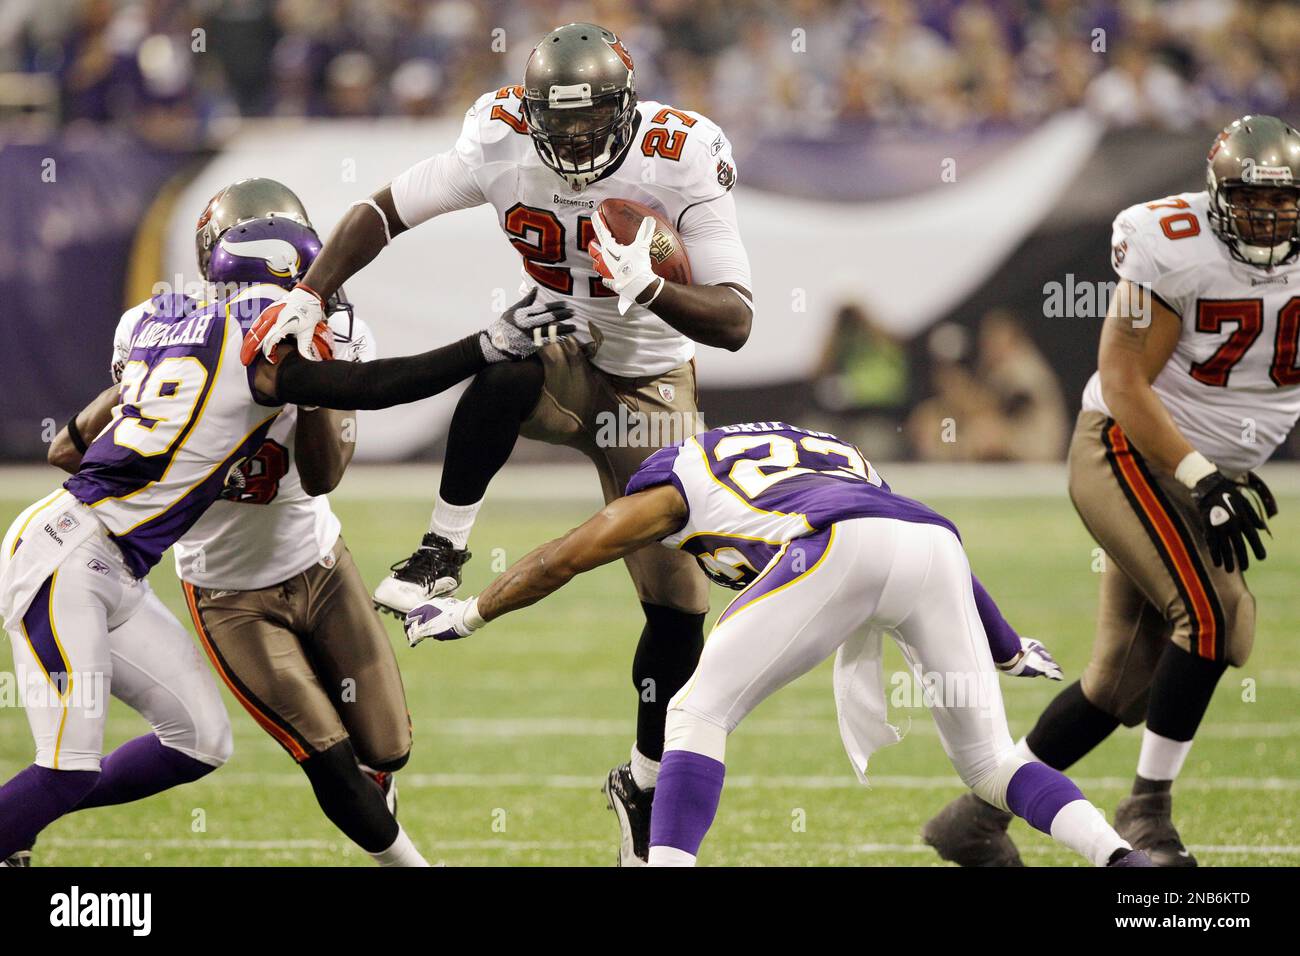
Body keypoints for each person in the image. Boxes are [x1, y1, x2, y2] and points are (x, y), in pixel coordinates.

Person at [247, 21, 754, 865]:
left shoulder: (685, 150)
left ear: (627, 111)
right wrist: (309, 292)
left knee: (677, 613)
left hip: (653, 383)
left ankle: (641, 779)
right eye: (563, 129)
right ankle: (440, 551)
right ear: (533, 116)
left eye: (594, 126)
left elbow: (736, 320)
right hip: (562, 349)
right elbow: (383, 209)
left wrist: (654, 285)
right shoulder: (500, 136)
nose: (578, 144)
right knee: (508, 352)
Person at [0, 200, 573, 865]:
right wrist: (483, 346)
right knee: (67, 767)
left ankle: (18, 811)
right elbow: (378, 385)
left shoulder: (163, 326)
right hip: (72, 555)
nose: (317, 295)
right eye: (307, 282)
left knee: (201, 740)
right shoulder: (260, 342)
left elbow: (68, 450)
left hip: (114, 562)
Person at [403, 421, 1147, 867]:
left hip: (835, 549)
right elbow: (906, 535)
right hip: (935, 540)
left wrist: (469, 613)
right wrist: (1007, 647)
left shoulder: (676, 480)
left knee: (695, 713)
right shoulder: (830, 453)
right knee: (992, 761)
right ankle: (1119, 856)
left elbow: (567, 555)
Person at [923, 114, 1297, 867]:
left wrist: (1217, 479)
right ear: (1216, 193)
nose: (1267, 217)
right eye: (1251, 201)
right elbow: (1124, 381)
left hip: (1210, 474)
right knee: (1217, 617)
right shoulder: (1168, 241)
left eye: (1283, 202)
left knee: (1122, 685)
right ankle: (1148, 813)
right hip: (1126, 450)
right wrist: (1201, 478)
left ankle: (975, 817)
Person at [43, 179, 424, 865]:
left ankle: (375, 803)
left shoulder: (337, 330)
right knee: (325, 756)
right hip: (227, 589)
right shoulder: (156, 325)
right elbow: (85, 444)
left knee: (389, 745)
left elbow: (323, 475)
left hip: (318, 559)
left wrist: (311, 374)